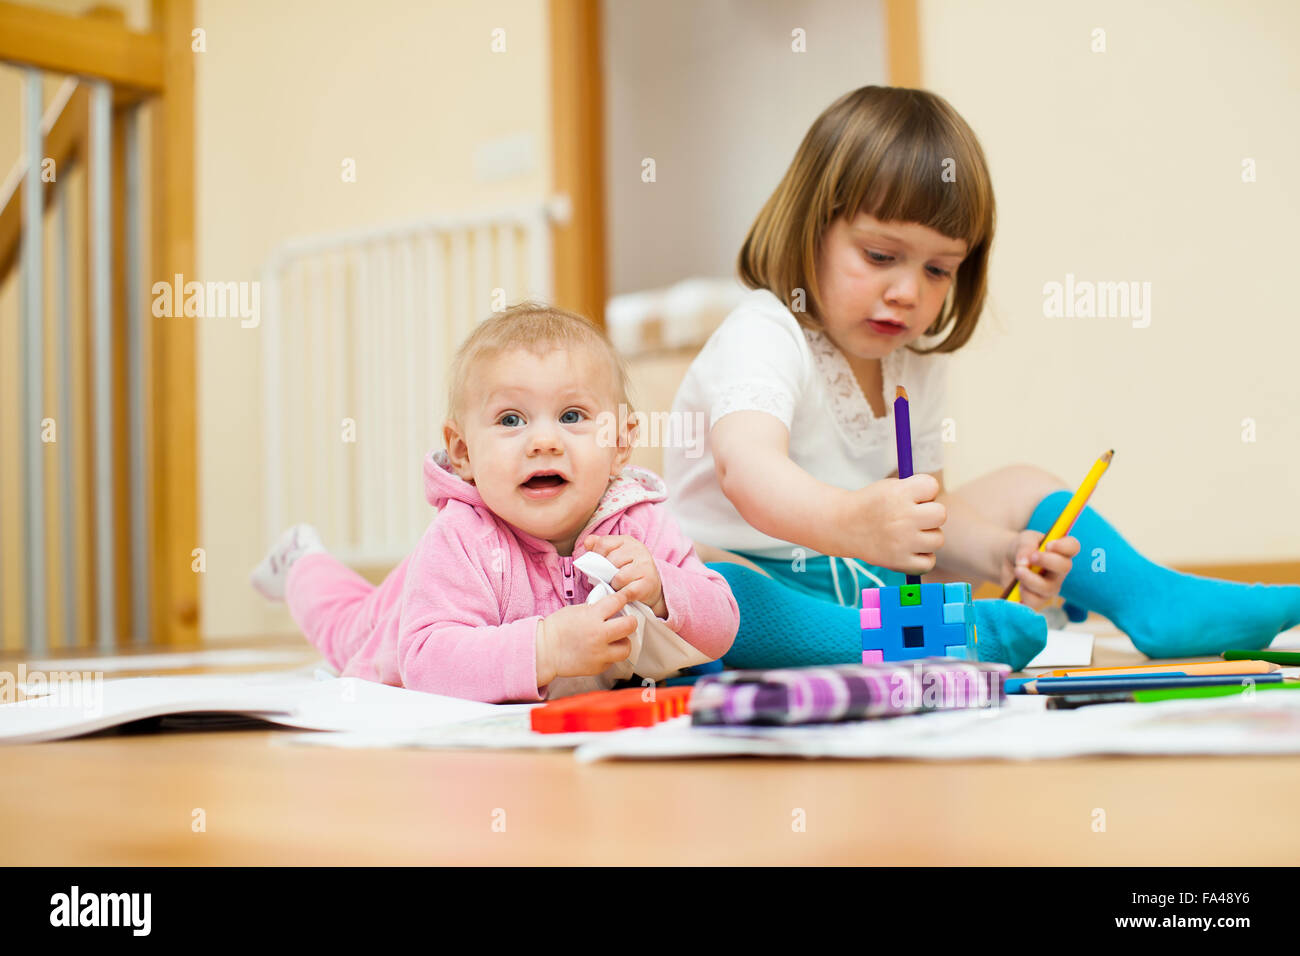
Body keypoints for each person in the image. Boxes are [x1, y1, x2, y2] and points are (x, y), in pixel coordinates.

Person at [664, 85, 1300, 668]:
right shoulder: (765, 329)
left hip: (856, 578)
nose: (909, 292)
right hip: (756, 581)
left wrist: (1002, 554)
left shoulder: (910, 357)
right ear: (812, 226)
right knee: (706, 580)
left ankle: (1158, 603)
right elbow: (745, 472)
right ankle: (886, 643)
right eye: (880, 256)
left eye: (940, 270)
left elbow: (928, 519)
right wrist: (854, 521)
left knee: (1023, 486)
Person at [251, 301, 739, 702]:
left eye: (572, 415)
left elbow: (722, 622)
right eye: (511, 420)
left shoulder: (640, 522)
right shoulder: (462, 537)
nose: (544, 441)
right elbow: (425, 661)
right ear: (463, 451)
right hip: (397, 617)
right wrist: (545, 647)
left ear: (621, 443)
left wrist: (662, 589)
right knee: (343, 623)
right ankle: (300, 559)